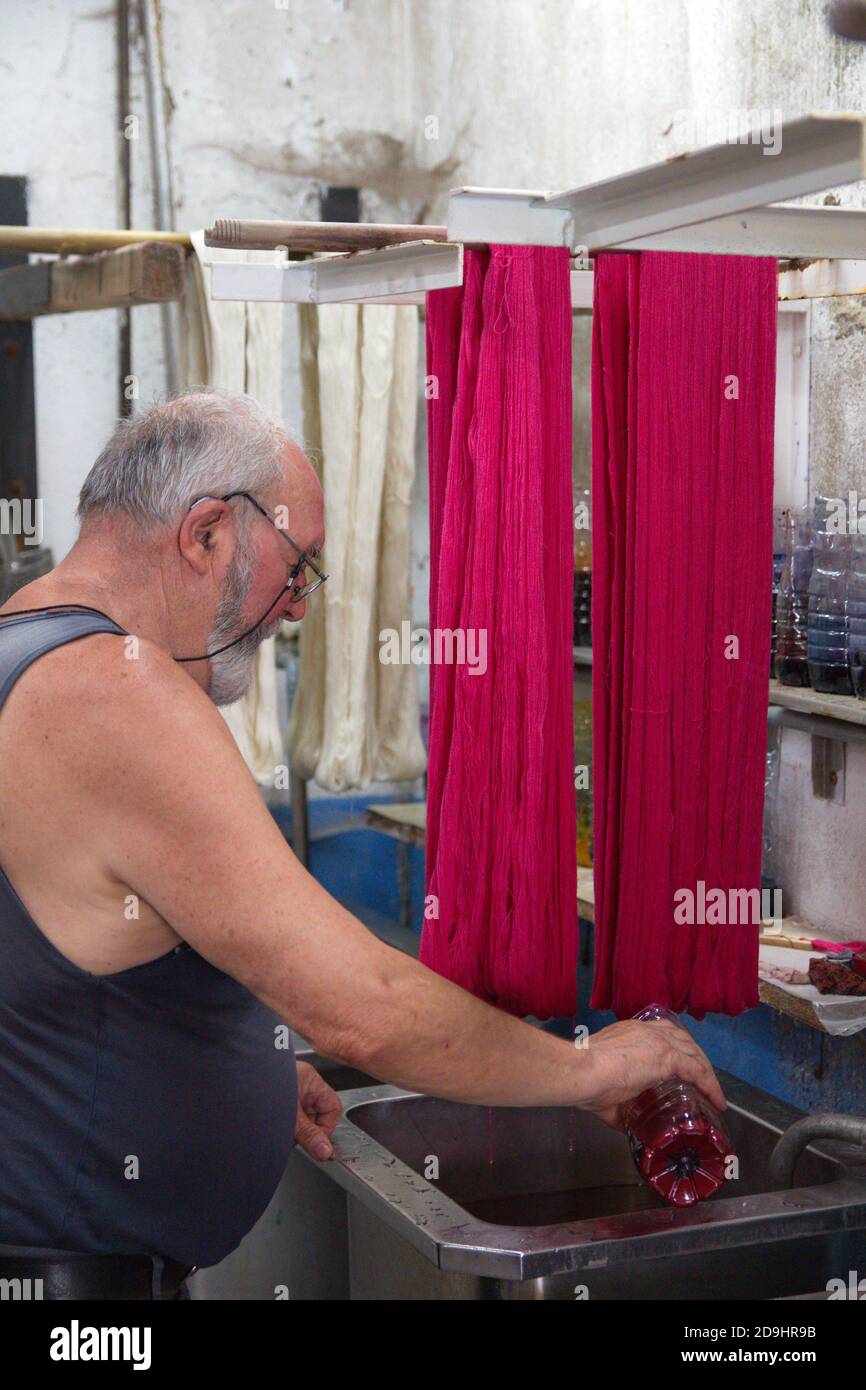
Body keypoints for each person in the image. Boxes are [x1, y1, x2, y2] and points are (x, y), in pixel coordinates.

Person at [0, 389, 725, 1299]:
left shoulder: (21, 649)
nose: (296, 609)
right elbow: (365, 1008)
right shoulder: (119, 693)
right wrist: (593, 1068)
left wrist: (232, 1069)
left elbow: (43, 970)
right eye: (297, 567)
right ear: (208, 534)